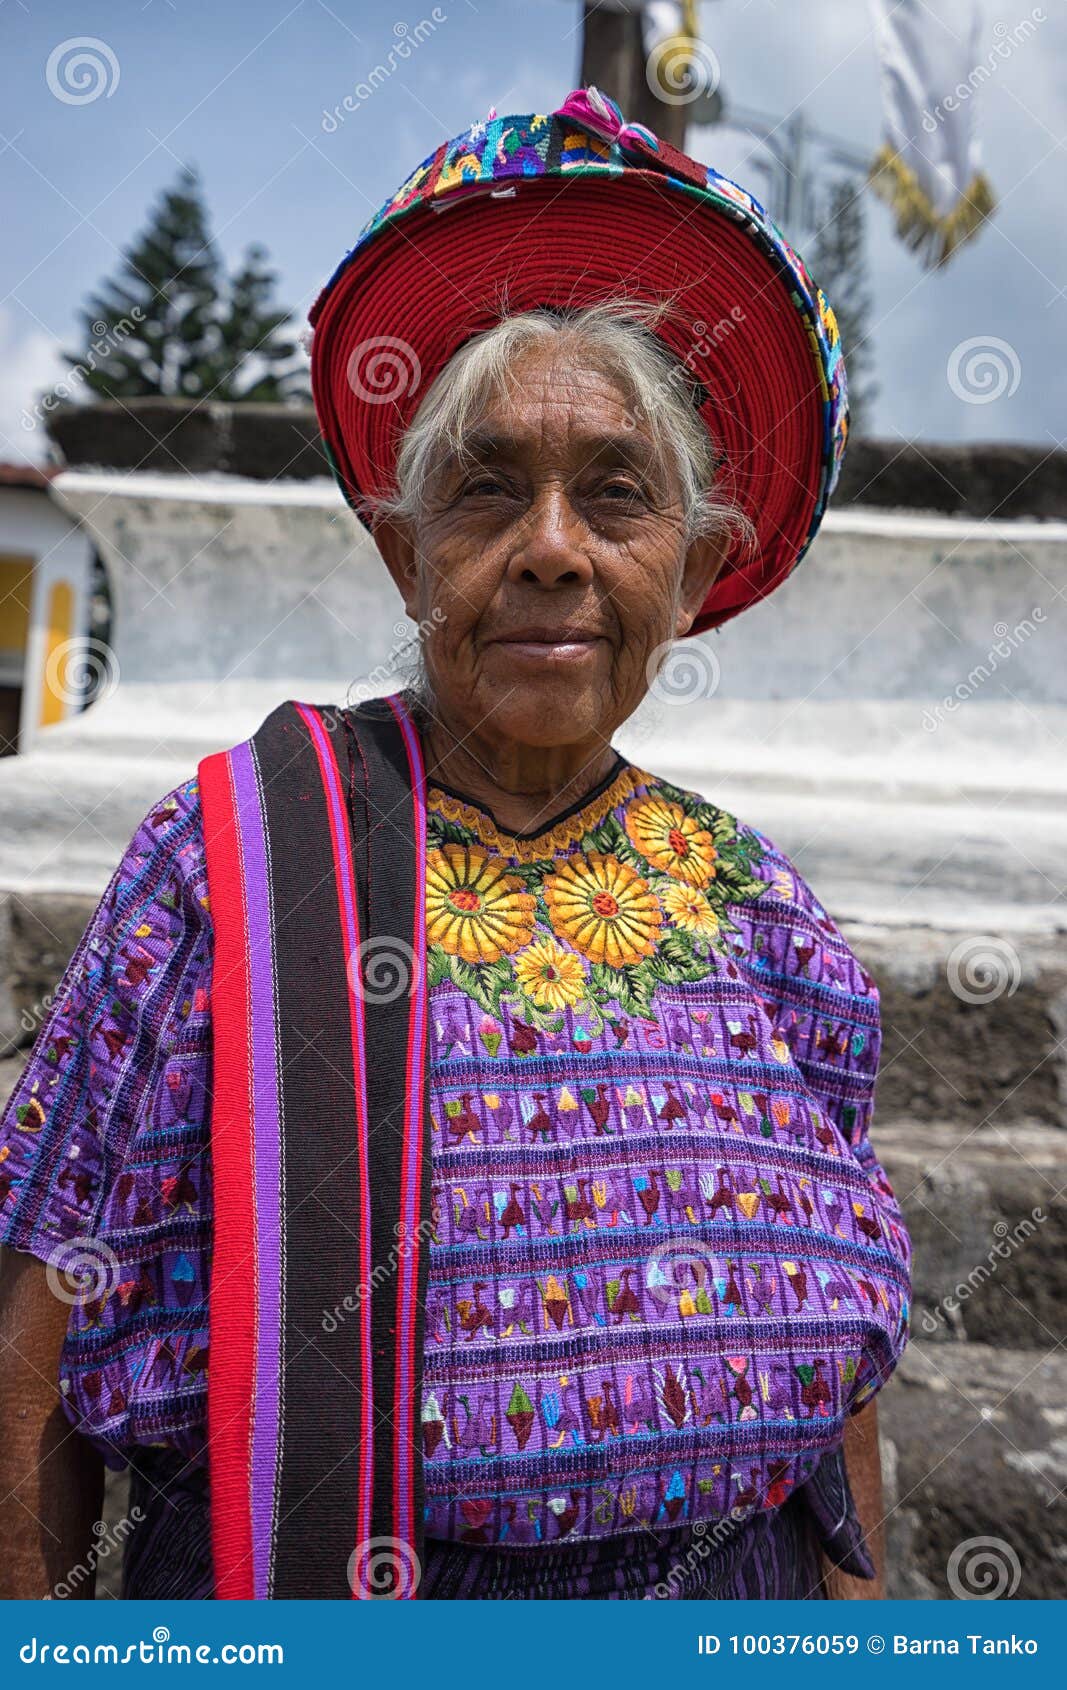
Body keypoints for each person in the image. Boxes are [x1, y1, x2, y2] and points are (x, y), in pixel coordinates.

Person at [0, 87, 909, 1601]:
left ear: (694, 570)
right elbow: (38, 1328)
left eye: (616, 496)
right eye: (488, 491)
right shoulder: (226, 866)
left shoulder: (765, 912)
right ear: (402, 549)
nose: (550, 546)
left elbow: (840, 1368)